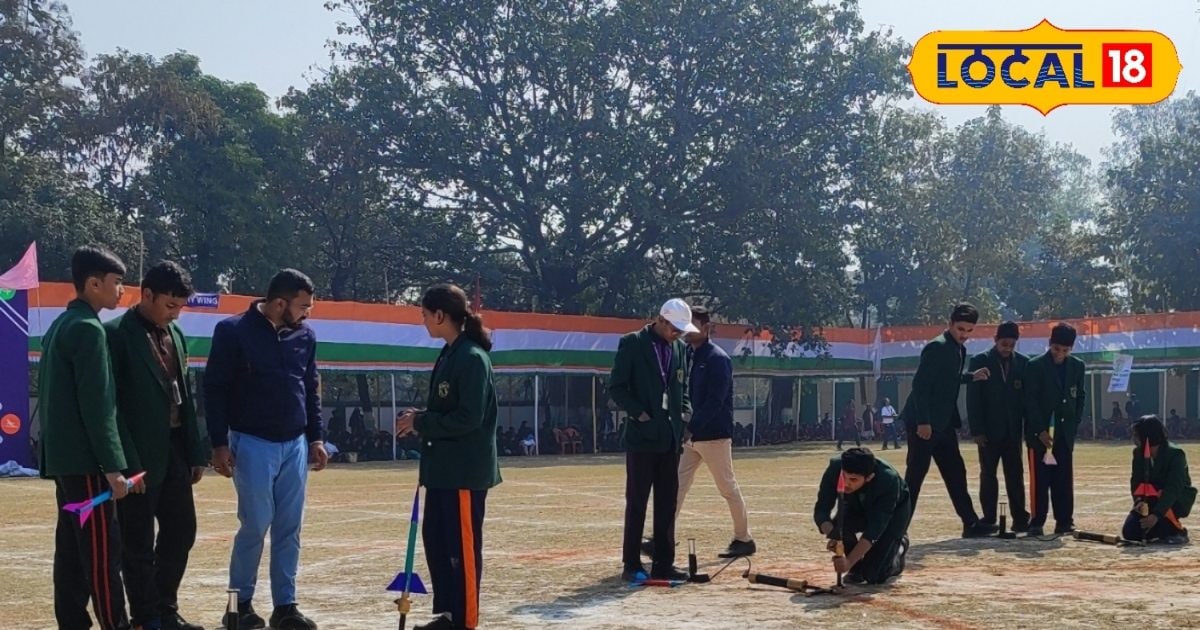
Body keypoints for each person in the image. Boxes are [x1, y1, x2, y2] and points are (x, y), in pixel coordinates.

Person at [205, 269, 327, 630]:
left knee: (290, 528)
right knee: (254, 526)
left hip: (295, 445)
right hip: (252, 443)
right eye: (303, 305)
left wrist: (316, 437)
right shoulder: (232, 331)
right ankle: (236, 606)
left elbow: (310, 387)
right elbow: (214, 389)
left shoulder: (306, 335)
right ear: (278, 303)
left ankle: (285, 607)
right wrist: (218, 443)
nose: (308, 312)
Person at [106, 261, 207, 630]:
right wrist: (126, 461)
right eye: (169, 306)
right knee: (138, 541)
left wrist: (196, 452)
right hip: (138, 457)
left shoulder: (176, 334)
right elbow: (111, 406)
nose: (175, 314)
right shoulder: (114, 334)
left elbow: (186, 397)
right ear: (146, 294)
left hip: (176, 451)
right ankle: (145, 616)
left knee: (182, 531)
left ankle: (166, 607)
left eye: (180, 307)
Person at [396, 284, 502, 630]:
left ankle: (465, 620)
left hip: (463, 473)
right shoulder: (449, 353)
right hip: (442, 470)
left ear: (440, 315)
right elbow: (448, 408)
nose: (424, 321)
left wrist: (421, 422)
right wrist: (420, 417)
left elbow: (469, 418)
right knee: (439, 545)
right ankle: (447, 613)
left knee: (463, 551)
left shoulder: (471, 357)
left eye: (425, 314)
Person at [40, 245, 133, 630]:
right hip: (88, 465)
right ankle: (117, 624)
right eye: (116, 283)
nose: (121, 292)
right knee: (100, 555)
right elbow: (98, 406)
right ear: (93, 283)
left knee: (72, 556)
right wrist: (113, 467)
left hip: (65, 461)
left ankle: (72, 623)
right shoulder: (88, 330)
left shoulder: (61, 325)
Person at [609, 298, 696, 582]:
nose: (678, 334)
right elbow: (617, 387)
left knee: (667, 503)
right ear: (661, 320)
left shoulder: (681, 349)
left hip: (670, 438)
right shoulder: (632, 343)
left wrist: (685, 411)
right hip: (641, 438)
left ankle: (664, 562)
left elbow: (682, 387)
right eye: (675, 328)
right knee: (637, 502)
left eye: (682, 330)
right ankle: (631, 563)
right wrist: (639, 413)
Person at [901, 303, 995, 537]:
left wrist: (971, 377)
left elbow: (947, 379)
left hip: (943, 424)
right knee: (914, 478)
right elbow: (921, 386)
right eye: (960, 328)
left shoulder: (957, 349)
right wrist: (923, 422)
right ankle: (895, 530)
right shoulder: (937, 347)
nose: (964, 334)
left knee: (956, 472)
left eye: (969, 330)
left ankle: (971, 523)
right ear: (950, 323)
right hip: (924, 424)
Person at [671, 306, 755, 558]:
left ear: (707, 328)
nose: (687, 330)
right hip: (691, 437)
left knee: (727, 488)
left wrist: (691, 427)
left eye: (693, 325)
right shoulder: (686, 355)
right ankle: (664, 536)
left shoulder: (718, 359)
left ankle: (744, 539)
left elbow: (715, 401)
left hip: (714, 436)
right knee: (676, 486)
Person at [966, 321, 1030, 535]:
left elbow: (1026, 399)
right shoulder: (980, 361)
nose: (1007, 348)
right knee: (988, 475)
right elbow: (973, 399)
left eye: (1012, 344)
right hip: (988, 432)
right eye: (1004, 343)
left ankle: (1020, 517)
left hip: (1013, 432)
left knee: (1015, 475)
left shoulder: (1023, 363)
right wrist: (977, 431)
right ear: (995, 340)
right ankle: (989, 517)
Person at [1023, 322, 1086, 538]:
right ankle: (1037, 521)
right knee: (1040, 480)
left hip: (1065, 434)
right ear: (1050, 344)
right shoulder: (1035, 366)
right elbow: (1029, 401)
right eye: (1056, 349)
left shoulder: (1078, 366)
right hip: (1039, 436)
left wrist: (1074, 423)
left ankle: (1064, 521)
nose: (1060, 354)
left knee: (1063, 480)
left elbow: (1080, 396)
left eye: (1065, 351)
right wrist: (1039, 430)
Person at [813, 448, 911, 585]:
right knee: (840, 528)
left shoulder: (889, 480)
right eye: (844, 477)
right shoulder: (835, 467)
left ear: (869, 477)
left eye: (853, 479)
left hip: (892, 514)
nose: (847, 483)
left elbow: (873, 531)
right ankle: (857, 569)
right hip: (855, 505)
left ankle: (899, 546)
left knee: (875, 576)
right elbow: (821, 510)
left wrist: (847, 563)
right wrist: (834, 536)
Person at [1123, 416, 1193, 544]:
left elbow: (1174, 488)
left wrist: (1156, 515)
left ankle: (1177, 530)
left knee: (1160, 522)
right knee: (1130, 532)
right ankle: (1161, 529)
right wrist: (1138, 501)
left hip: (1174, 500)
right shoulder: (1138, 453)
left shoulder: (1176, 454)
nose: (1135, 438)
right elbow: (1136, 481)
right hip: (1149, 500)